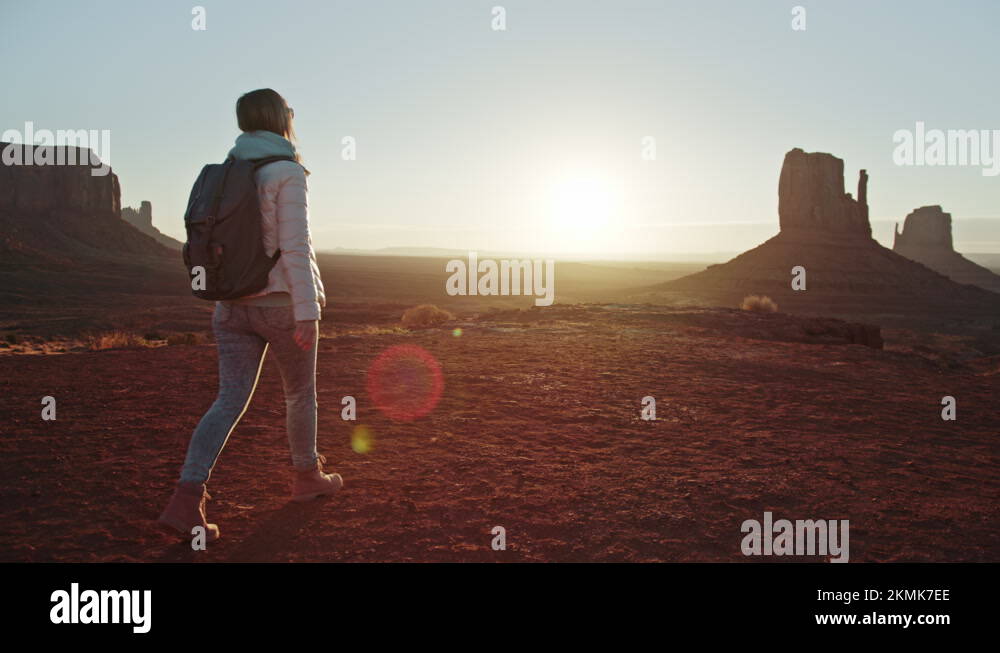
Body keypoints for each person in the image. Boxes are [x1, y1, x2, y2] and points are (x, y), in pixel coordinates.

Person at [159, 89, 340, 541]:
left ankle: (187, 498)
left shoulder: (222, 174)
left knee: (228, 400)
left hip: (230, 307)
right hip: (279, 306)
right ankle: (306, 477)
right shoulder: (287, 171)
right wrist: (307, 310)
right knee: (300, 394)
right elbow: (296, 246)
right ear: (282, 119)